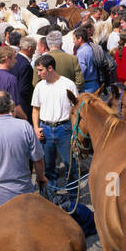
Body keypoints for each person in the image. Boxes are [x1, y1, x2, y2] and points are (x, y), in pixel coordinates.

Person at [30, 54, 79, 202]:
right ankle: (49, 198)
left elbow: (75, 110)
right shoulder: (39, 86)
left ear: (50, 68)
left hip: (64, 129)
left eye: (40, 70)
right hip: (45, 129)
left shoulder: (68, 85)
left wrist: (74, 132)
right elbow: (35, 109)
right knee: (47, 167)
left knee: (71, 166)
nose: (38, 74)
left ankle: (72, 198)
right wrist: (36, 128)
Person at [0, 46, 25, 119]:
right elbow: (15, 106)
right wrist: (25, 118)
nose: (16, 61)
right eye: (14, 58)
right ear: (7, 59)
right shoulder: (11, 79)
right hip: (7, 118)